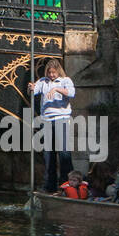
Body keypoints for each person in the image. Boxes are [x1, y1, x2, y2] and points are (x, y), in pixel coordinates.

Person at [28, 58, 75, 193]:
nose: (52, 76)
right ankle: (49, 185)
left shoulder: (66, 81)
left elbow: (71, 93)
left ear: (58, 71)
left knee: (64, 153)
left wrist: (57, 89)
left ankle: (67, 184)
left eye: (54, 73)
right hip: (47, 120)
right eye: (49, 73)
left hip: (62, 118)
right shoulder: (43, 81)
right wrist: (31, 88)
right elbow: (34, 90)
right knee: (48, 154)